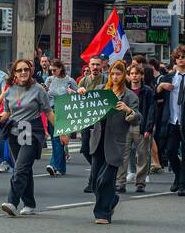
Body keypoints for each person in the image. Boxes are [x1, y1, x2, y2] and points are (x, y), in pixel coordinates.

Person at [82, 60, 138, 223]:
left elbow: (137, 119)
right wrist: (81, 93)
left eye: (118, 74)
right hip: (98, 139)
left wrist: (128, 110)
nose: (115, 77)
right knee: (94, 182)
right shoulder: (101, 90)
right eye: (112, 73)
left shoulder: (129, 96)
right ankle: (112, 199)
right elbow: (87, 105)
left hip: (115, 142)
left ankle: (102, 214)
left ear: (124, 76)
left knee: (106, 180)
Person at [0, 59, 53, 217]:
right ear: (14, 73)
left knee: (20, 168)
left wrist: (62, 132)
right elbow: (8, 112)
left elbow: (48, 112)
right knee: (24, 169)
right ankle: (29, 203)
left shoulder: (38, 90)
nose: (23, 73)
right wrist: (0, 117)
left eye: (26, 70)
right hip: (14, 130)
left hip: (30, 130)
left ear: (30, 72)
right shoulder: (9, 90)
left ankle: (12, 202)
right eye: (20, 70)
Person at [155, 47, 185, 197]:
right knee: (170, 151)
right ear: (174, 60)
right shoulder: (168, 78)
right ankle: (178, 175)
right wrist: (160, 87)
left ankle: (183, 184)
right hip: (171, 121)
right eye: (178, 57)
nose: (181, 59)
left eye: (183, 57)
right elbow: (154, 97)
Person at [117, 61, 154, 193]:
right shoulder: (124, 91)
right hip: (125, 126)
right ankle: (120, 183)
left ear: (141, 75)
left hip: (140, 126)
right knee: (123, 155)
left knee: (142, 156)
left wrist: (148, 128)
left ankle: (140, 182)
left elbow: (151, 110)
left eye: (137, 74)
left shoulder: (147, 91)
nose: (134, 76)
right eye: (131, 74)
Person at [44, 61, 78, 176]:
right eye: (51, 70)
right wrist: (45, 87)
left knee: (59, 139)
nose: (52, 72)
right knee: (55, 140)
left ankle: (54, 165)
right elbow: (45, 95)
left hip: (64, 111)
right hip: (51, 112)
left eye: (54, 70)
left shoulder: (69, 80)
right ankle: (61, 168)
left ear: (60, 69)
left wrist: (72, 92)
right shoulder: (49, 79)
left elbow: (78, 95)